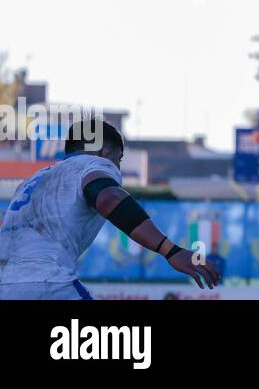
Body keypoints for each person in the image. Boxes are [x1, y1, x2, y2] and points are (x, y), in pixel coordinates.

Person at [0, 120, 221, 300]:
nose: (118, 166)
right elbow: (108, 197)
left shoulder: (31, 181)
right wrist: (170, 250)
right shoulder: (92, 164)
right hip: (46, 282)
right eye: (119, 159)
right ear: (105, 153)